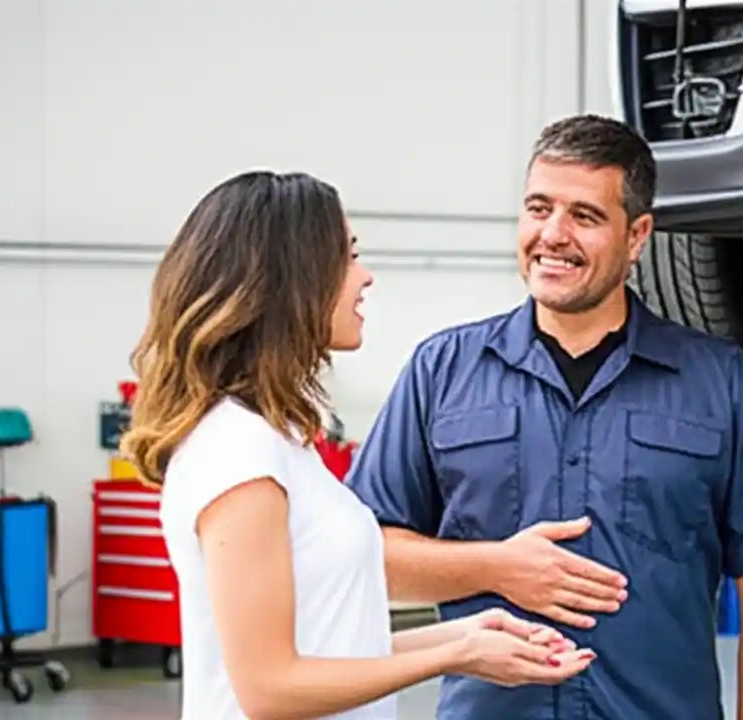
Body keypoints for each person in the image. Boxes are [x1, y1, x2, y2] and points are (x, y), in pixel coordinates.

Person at [345, 114, 743, 719]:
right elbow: (368, 561)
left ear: (637, 236)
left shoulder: (721, 382)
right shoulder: (441, 371)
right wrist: (497, 568)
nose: (553, 234)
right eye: (538, 207)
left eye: (584, 216)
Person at [120, 170, 596, 720]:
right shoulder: (237, 453)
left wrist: (463, 641)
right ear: (291, 278)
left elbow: (327, 651)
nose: (364, 277)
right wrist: (458, 651)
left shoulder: (278, 443)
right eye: (348, 257)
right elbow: (270, 688)